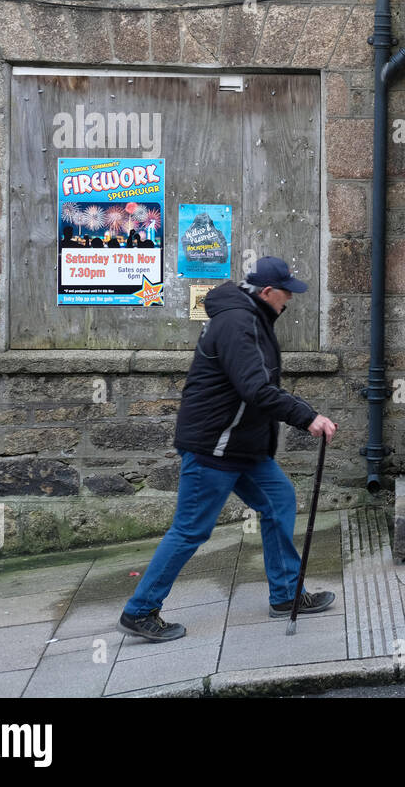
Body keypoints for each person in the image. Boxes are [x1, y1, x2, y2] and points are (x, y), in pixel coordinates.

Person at [119, 256, 339, 642]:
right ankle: (140, 610)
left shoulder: (252, 317)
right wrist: (308, 417)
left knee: (279, 501)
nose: (290, 300)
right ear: (268, 292)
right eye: (286, 293)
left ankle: (286, 595)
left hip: (242, 448)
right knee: (190, 530)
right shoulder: (239, 323)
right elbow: (255, 389)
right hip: (214, 448)